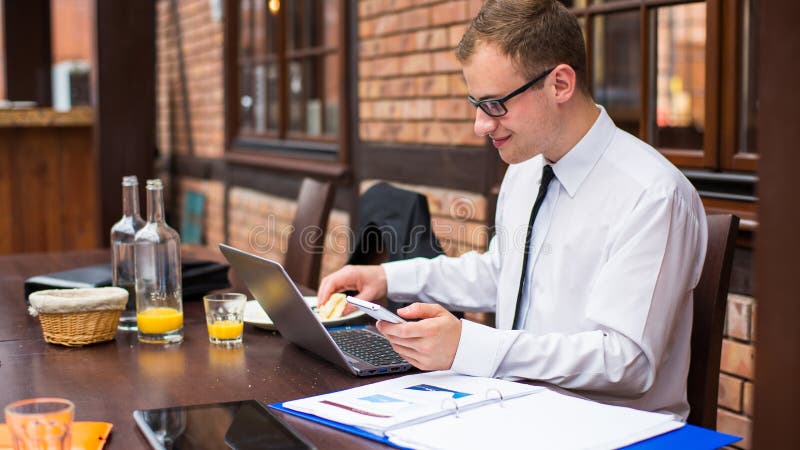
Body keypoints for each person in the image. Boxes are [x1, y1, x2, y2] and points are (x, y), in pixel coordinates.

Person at [318, 0, 707, 419]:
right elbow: (505, 272)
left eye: (495, 104)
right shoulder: (525, 170)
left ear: (560, 84)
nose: (481, 125)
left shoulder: (652, 194)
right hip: (511, 413)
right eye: (476, 104)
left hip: (613, 429)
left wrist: (469, 346)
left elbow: (625, 362)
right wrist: (386, 276)